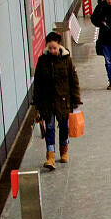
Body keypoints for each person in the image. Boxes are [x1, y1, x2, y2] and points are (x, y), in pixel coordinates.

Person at [32, 32, 81, 170]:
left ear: (59, 45)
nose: (52, 50)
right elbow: (38, 84)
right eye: (50, 48)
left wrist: (76, 100)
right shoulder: (42, 61)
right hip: (47, 102)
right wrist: (37, 105)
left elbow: (74, 81)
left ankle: (64, 151)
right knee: (50, 128)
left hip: (63, 101)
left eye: (54, 48)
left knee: (64, 127)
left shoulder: (67, 60)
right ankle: (50, 156)